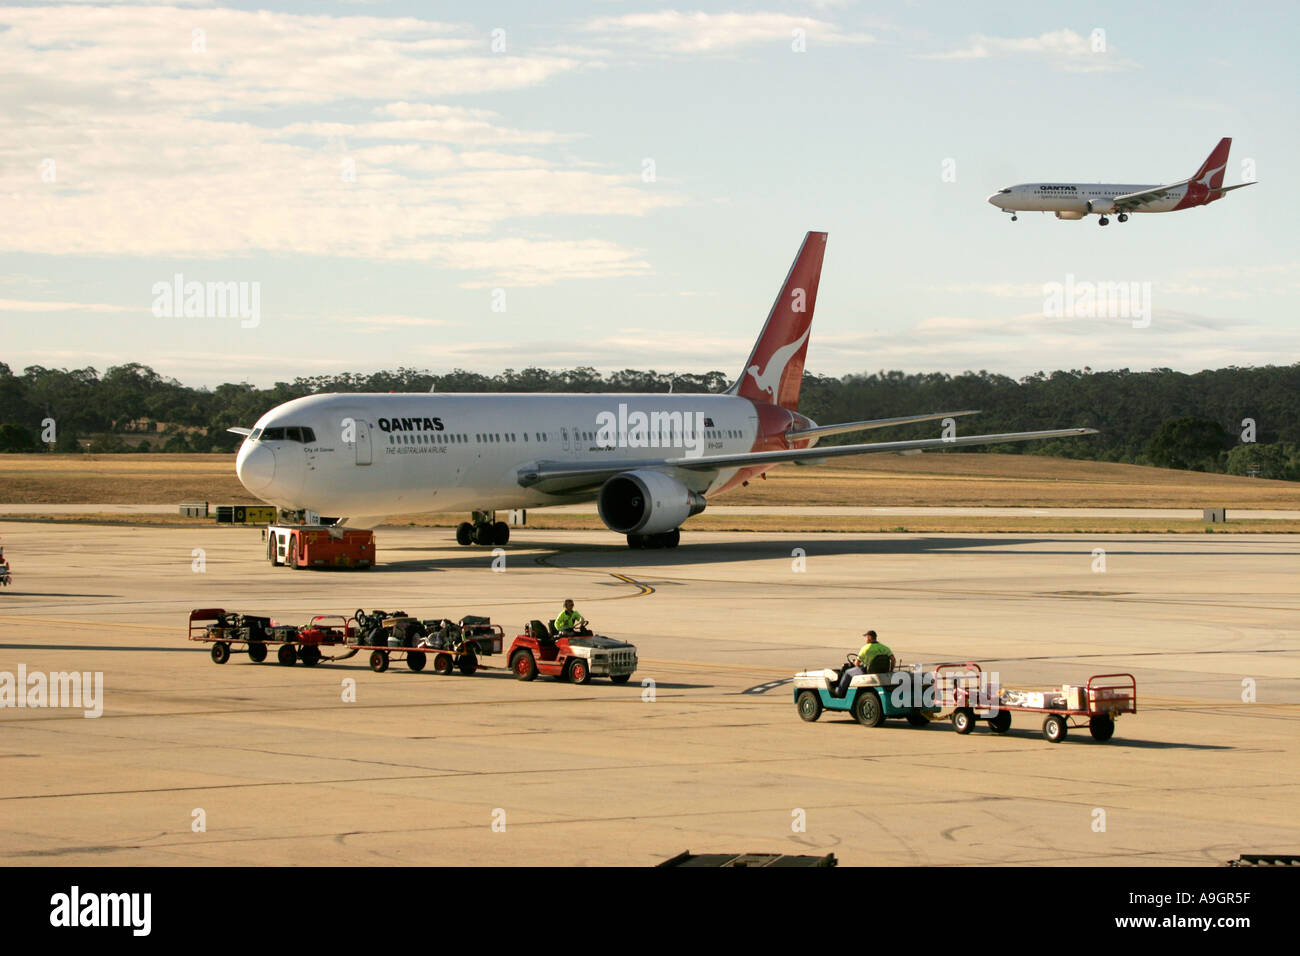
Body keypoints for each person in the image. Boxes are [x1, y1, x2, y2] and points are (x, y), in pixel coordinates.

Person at [835, 630, 894, 697]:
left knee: (847, 673)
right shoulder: (884, 648)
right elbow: (893, 660)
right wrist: (891, 670)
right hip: (883, 670)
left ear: (869, 637)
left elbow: (857, 664)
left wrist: (854, 662)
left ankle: (839, 692)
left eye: (866, 637)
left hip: (867, 670)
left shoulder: (865, 648)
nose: (866, 639)